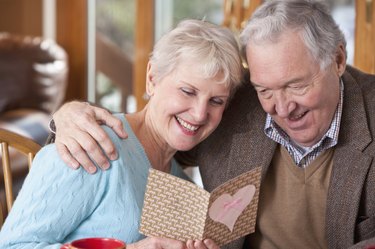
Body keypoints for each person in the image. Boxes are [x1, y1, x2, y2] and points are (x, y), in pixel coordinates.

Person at [45, 0, 375, 249]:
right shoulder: (230, 105)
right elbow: (155, 129)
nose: (284, 108)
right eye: (265, 91)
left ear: (338, 60)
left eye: (297, 85)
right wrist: (72, 113)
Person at [0, 19, 243, 249]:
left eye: (216, 101)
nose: (200, 114)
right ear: (152, 79)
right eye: (188, 91)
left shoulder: (184, 189)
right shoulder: (89, 143)